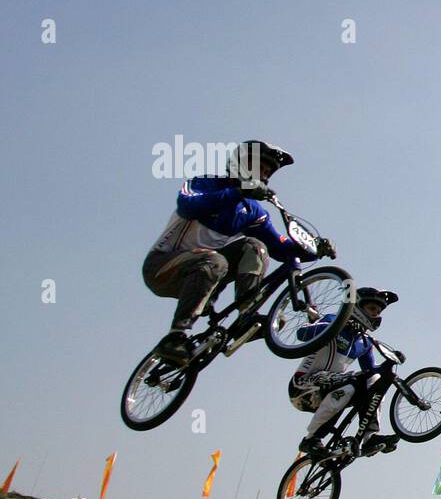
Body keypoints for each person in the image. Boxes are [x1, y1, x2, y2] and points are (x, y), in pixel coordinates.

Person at [143, 140, 331, 364]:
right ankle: (175, 337)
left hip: (209, 271)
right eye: (260, 167)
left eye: (268, 172)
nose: (264, 175)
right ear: (241, 163)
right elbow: (188, 204)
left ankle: (246, 315)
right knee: (215, 261)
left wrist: (314, 250)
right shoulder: (206, 183)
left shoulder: (252, 212)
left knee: (255, 247)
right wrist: (237, 191)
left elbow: (280, 249)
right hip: (163, 267)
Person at [291, 287, 400, 458]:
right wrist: (327, 328)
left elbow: (370, 372)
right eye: (372, 309)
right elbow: (301, 334)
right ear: (357, 306)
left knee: (376, 381)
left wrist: (387, 366)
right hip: (303, 386)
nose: (375, 315)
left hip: (331, 389)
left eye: (378, 312)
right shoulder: (334, 320)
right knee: (350, 384)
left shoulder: (364, 342)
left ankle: (368, 436)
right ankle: (311, 439)